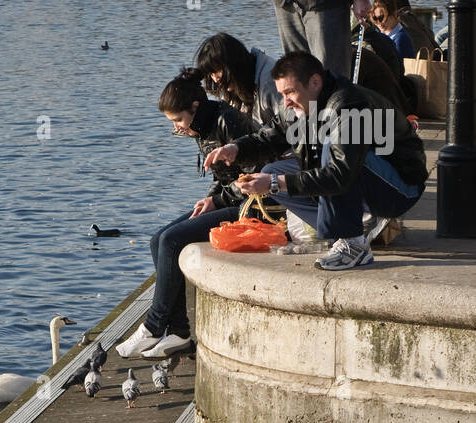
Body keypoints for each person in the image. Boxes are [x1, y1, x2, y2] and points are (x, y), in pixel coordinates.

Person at [204, 50, 427, 271]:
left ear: (315, 82)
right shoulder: (303, 104)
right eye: (282, 94)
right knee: (274, 169)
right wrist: (236, 148)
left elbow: (340, 172)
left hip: (402, 187)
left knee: (323, 154)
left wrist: (274, 183)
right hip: (359, 173)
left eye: (290, 92)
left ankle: (353, 244)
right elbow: (271, 136)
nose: (286, 102)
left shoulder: (348, 106)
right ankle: (344, 232)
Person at [116, 68, 258, 359]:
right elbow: (223, 175)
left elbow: (251, 176)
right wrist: (210, 199)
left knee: (172, 241)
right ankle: (179, 331)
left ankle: (154, 325)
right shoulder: (202, 125)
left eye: (179, 120)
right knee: (158, 240)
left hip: (252, 206)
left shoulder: (226, 120)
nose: (178, 128)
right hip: (228, 200)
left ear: (195, 107)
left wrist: (218, 201)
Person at [273, 0, 373, 77]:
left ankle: (333, 104)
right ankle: (312, 105)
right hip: (285, 6)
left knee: (331, 75)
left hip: (326, 6)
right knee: (297, 76)